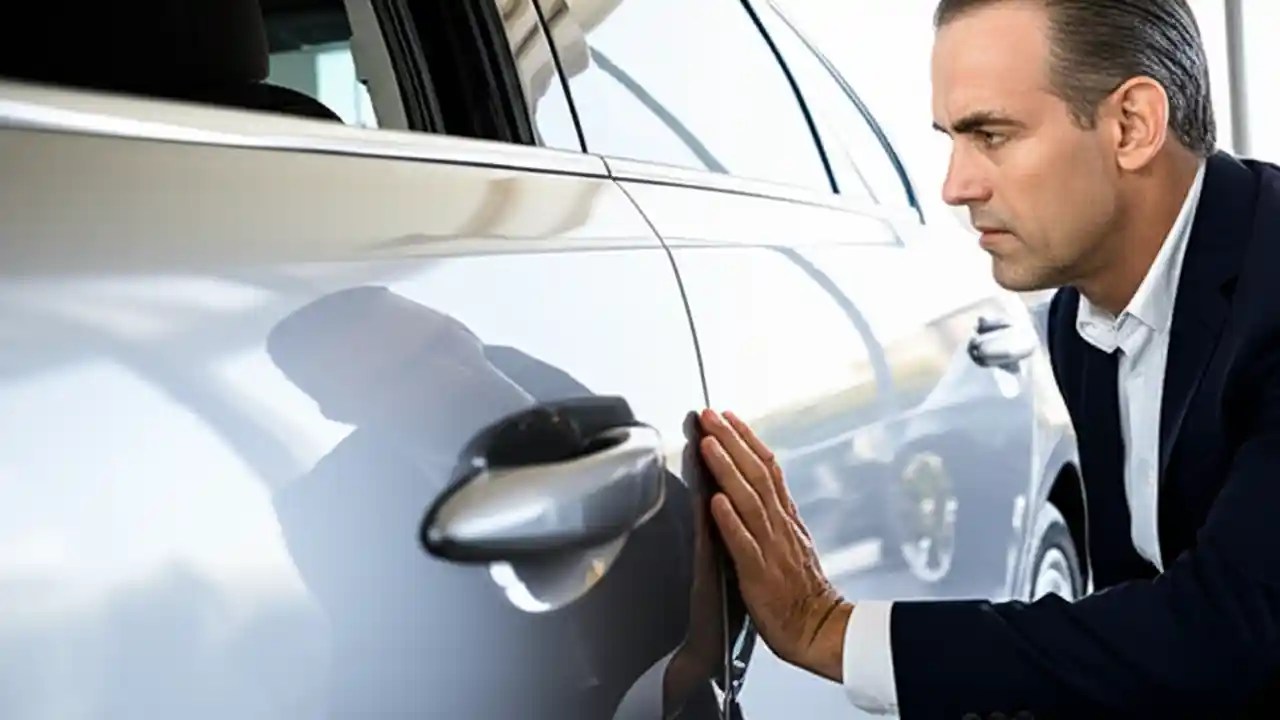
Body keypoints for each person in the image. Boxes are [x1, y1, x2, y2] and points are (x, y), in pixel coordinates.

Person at [698, 0, 1280, 717]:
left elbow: (1226, 635)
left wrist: (832, 631)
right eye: (951, 139)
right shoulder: (1082, 316)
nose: (955, 187)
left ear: (1132, 126)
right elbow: (1134, 636)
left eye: (993, 136)